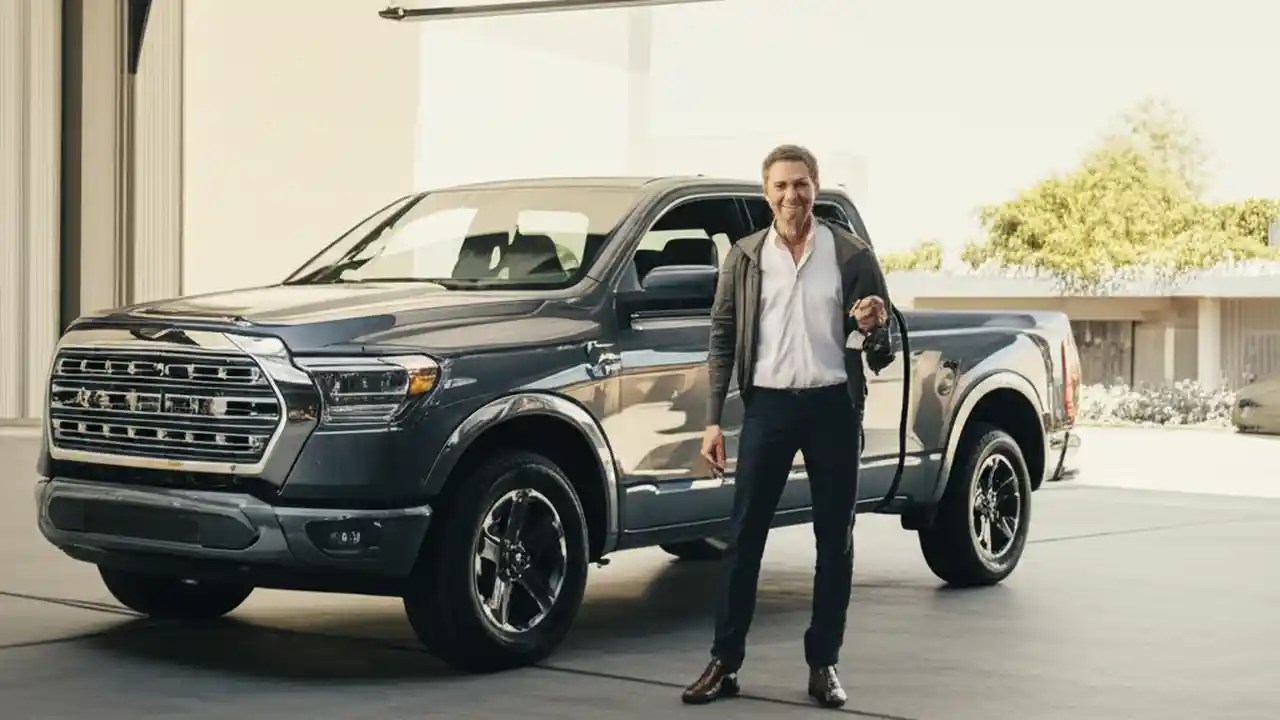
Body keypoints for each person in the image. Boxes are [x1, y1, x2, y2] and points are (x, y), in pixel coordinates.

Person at [680, 144, 893, 709]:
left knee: (835, 542)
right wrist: (711, 422)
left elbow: (883, 350)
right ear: (766, 192)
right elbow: (721, 339)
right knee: (743, 536)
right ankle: (725, 661)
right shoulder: (747, 258)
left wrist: (874, 328)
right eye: (780, 186)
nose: (791, 195)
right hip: (769, 409)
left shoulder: (851, 255)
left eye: (800, 184)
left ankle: (824, 663)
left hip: (832, 408)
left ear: (815, 187)